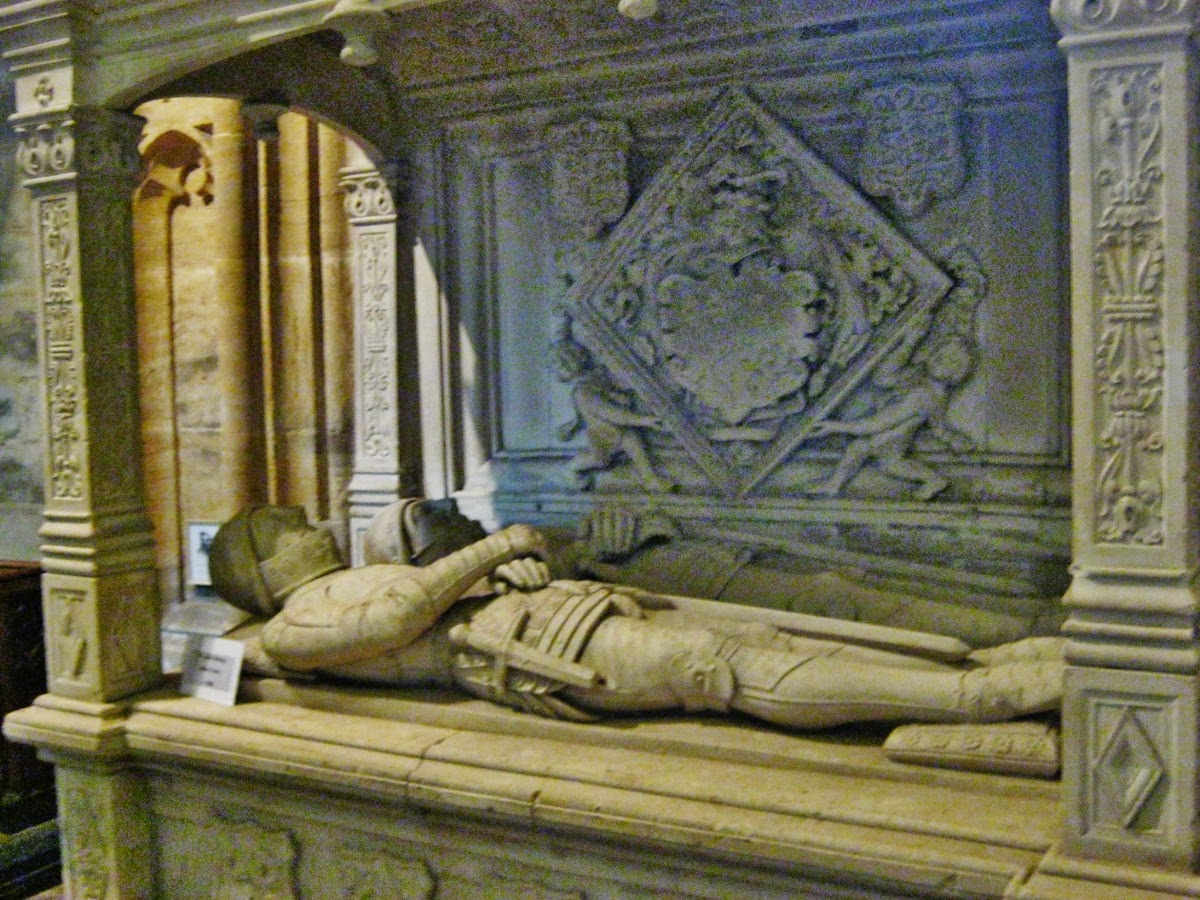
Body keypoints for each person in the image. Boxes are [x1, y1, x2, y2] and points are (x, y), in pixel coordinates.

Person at [209, 504, 1062, 730]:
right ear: (259, 570)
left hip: (551, 613)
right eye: (287, 529)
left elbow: (415, 596)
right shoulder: (292, 627)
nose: (312, 527)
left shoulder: (351, 573)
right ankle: (979, 702)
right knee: (726, 673)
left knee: (764, 638)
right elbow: (396, 619)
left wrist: (524, 564)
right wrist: (494, 546)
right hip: (531, 652)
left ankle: (977, 669)